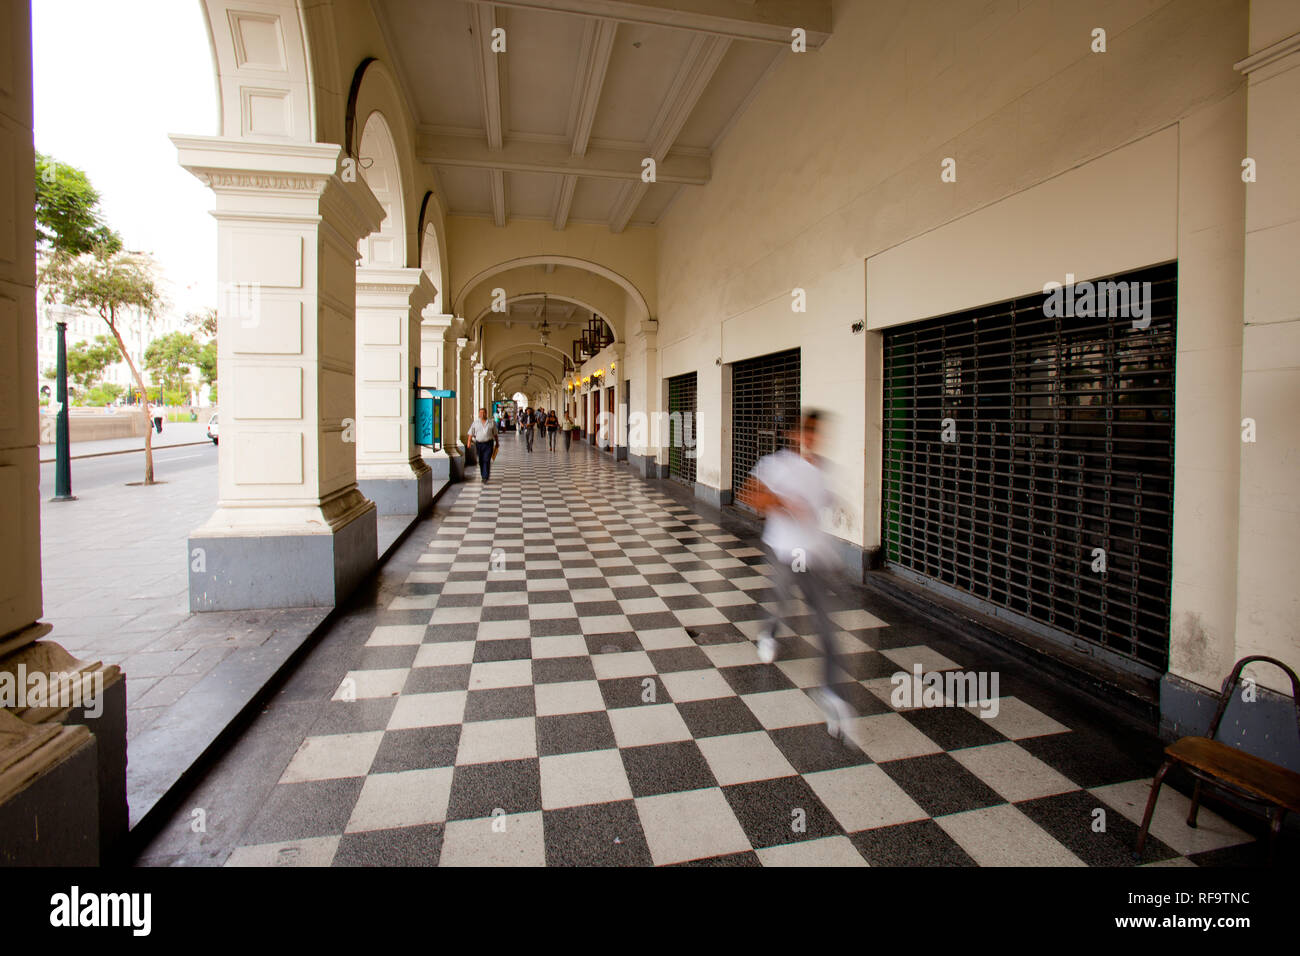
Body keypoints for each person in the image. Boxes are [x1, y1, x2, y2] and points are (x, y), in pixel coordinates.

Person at [737, 410, 853, 738]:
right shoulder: (778, 465)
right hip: (787, 551)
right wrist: (783, 501)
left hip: (814, 556)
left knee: (825, 624)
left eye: (818, 434)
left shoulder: (823, 468)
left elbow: (821, 504)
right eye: (808, 433)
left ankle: (831, 693)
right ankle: (768, 634)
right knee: (782, 598)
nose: (813, 440)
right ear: (795, 435)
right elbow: (750, 494)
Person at [466, 407, 499, 483]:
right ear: (478, 414)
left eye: (483, 412)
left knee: (486, 459)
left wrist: (497, 443)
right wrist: (468, 442)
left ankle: (485, 476)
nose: (482, 414)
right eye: (480, 413)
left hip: (489, 443)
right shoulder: (475, 423)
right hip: (479, 444)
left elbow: (495, 434)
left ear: (486, 413)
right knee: (481, 460)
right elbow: (471, 433)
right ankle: (483, 475)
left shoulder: (491, 422)